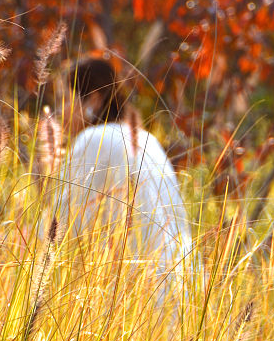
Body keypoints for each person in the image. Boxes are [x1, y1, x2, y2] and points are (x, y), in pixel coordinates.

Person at [57, 56, 194, 308]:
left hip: (135, 302)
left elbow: (62, 229)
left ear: (93, 99)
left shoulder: (92, 140)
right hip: (179, 293)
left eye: (65, 100)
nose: (59, 112)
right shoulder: (148, 140)